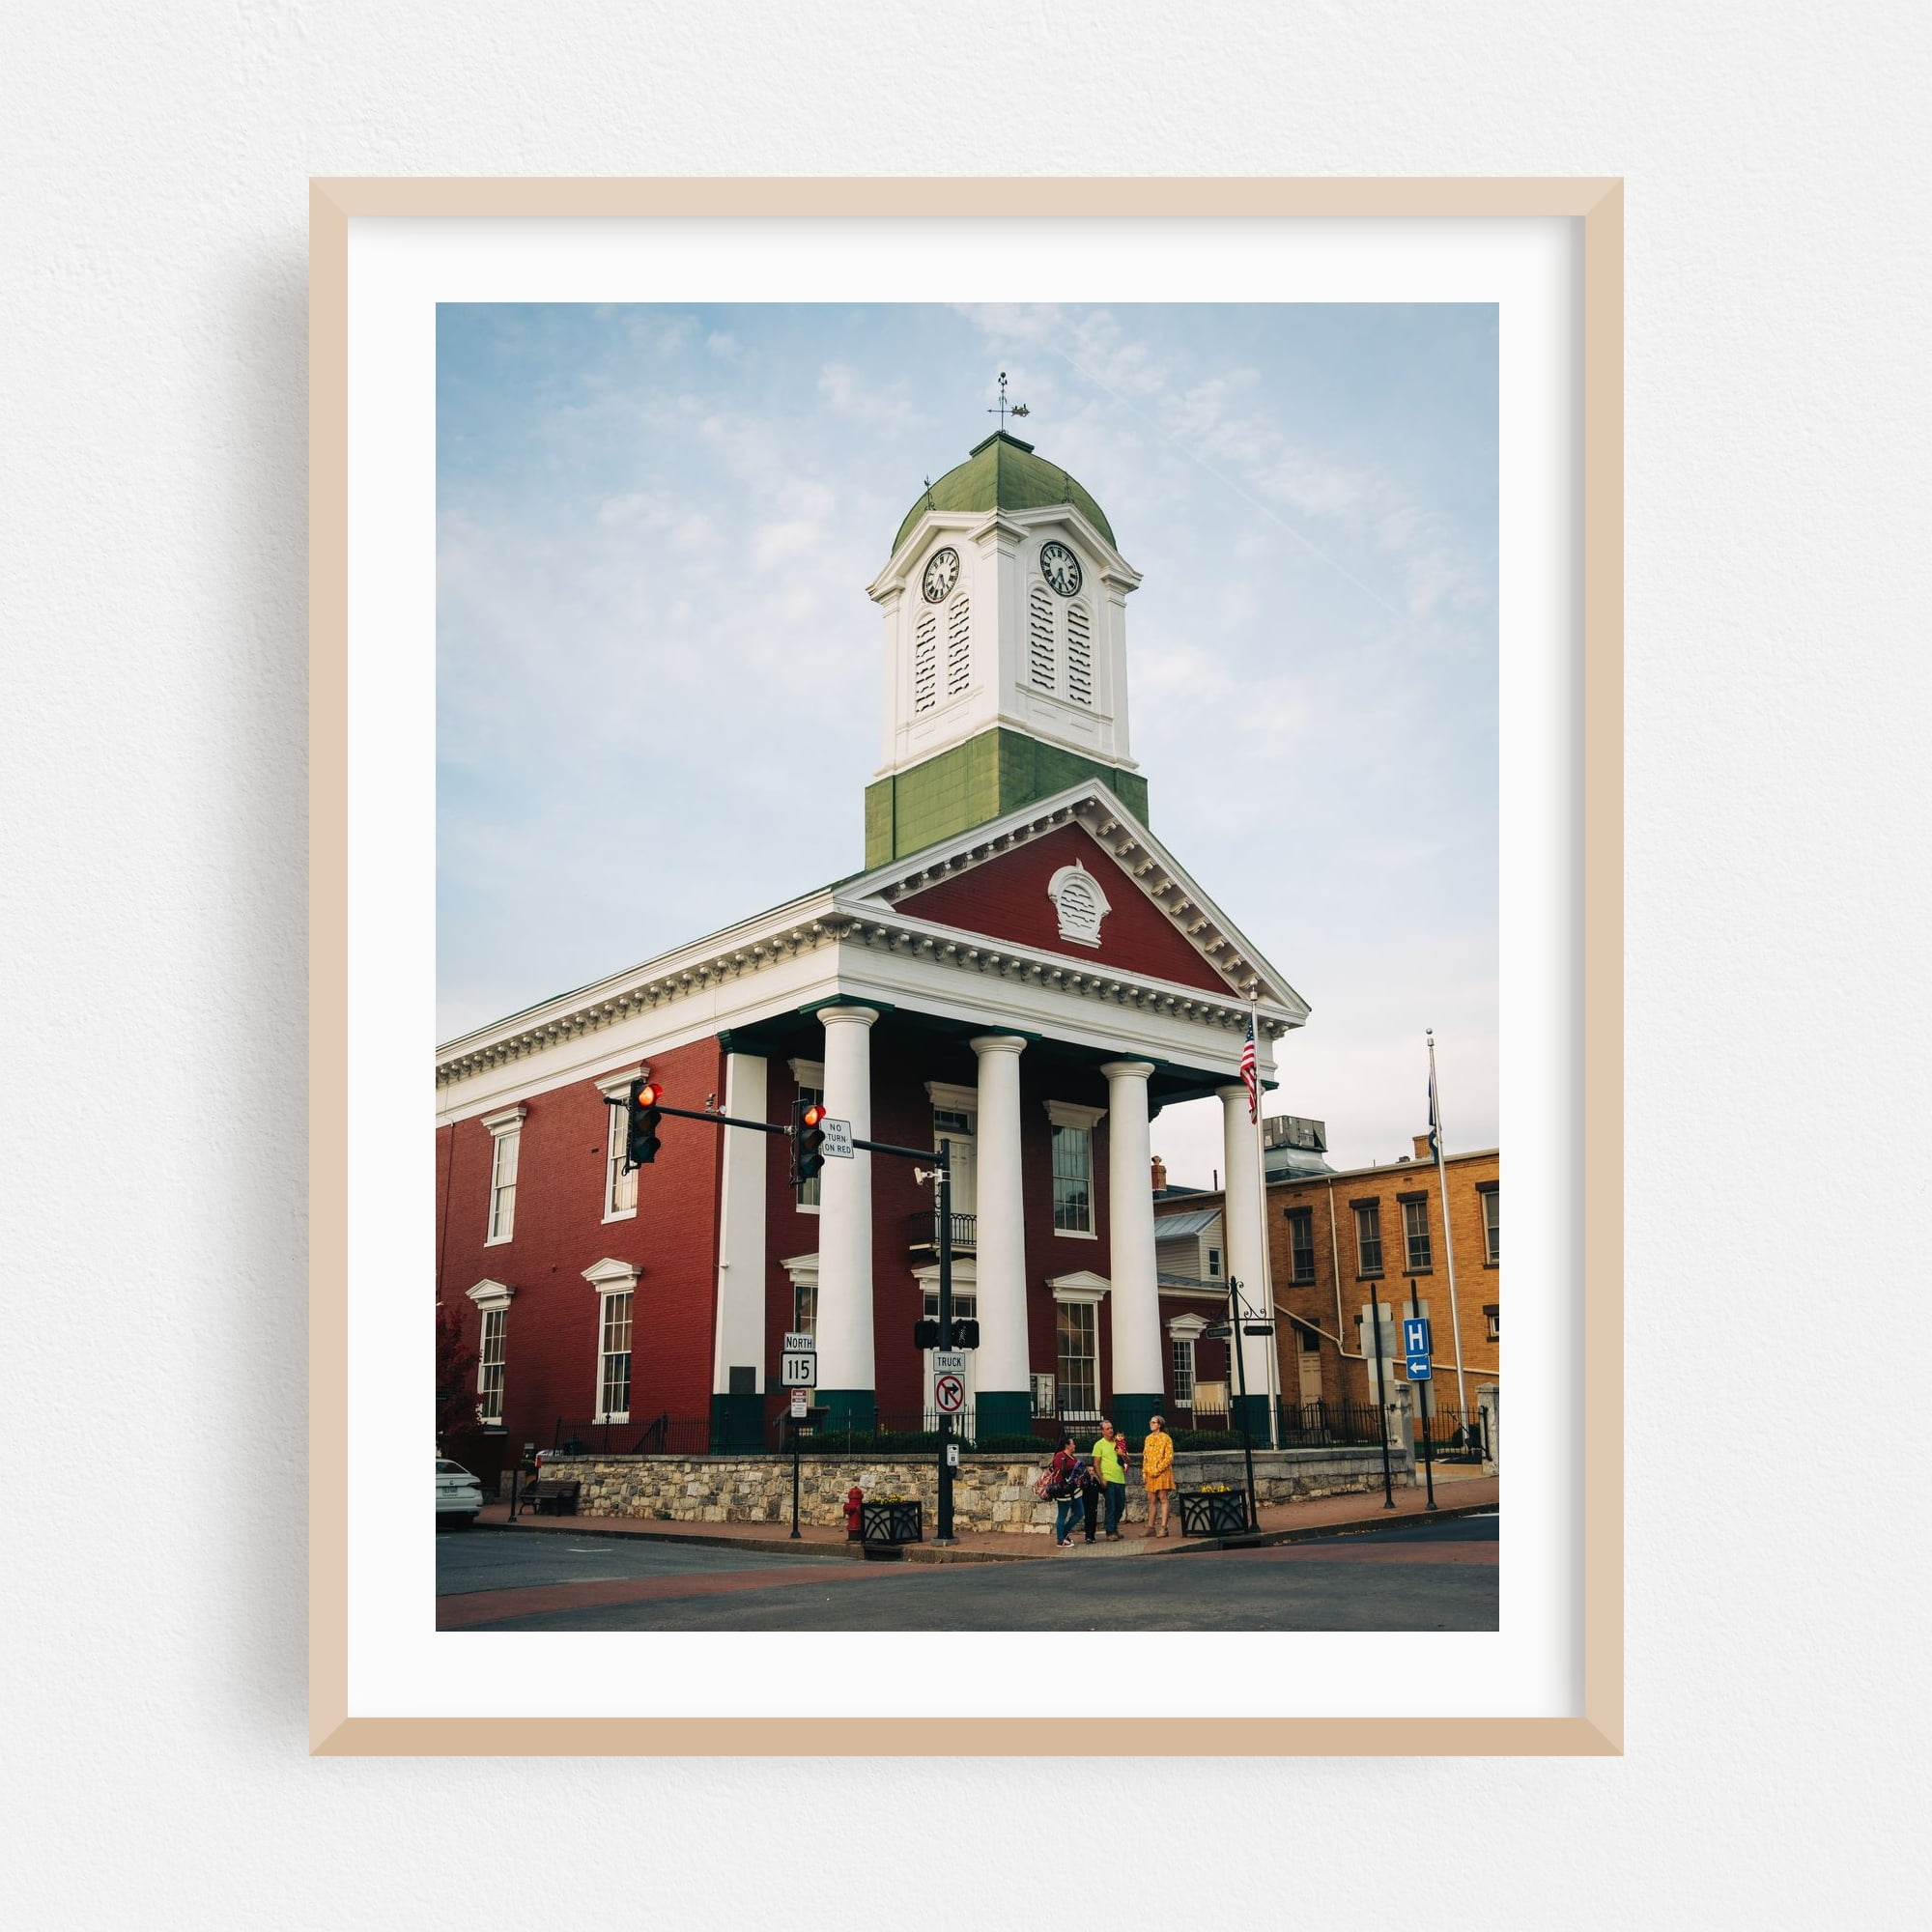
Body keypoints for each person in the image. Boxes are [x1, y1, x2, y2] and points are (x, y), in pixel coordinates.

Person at [1091, 1418, 1128, 1540]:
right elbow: (1096, 1463)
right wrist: (1101, 1479)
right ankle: (1110, 1531)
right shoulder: (1099, 1445)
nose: (1111, 1430)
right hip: (1108, 1478)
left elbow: (1128, 1460)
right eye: (1107, 1429)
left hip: (1120, 1479)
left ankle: (1114, 1526)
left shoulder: (1119, 1443)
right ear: (1102, 1431)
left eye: (1111, 1428)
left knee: (1121, 1505)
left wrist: (1122, 1454)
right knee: (1111, 1505)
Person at [1044, 1434, 1084, 1548]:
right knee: (1062, 1515)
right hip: (1063, 1491)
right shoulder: (1060, 1456)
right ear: (1067, 1445)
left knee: (1079, 1512)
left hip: (1074, 1491)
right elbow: (1059, 1473)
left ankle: (1063, 1533)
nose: (1074, 1445)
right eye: (1073, 1443)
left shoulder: (1071, 1456)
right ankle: (1060, 1540)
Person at [1141, 1413, 1176, 1538]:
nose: (1151, 1424)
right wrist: (1144, 1472)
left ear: (1160, 1424)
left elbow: (1169, 1458)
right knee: (1151, 1500)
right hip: (1150, 1473)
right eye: (1150, 1422)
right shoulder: (1148, 1438)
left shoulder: (1166, 1438)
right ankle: (1150, 1527)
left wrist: (1158, 1469)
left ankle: (1164, 1527)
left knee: (1163, 1498)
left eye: (1154, 1422)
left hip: (1162, 1472)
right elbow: (1145, 1457)